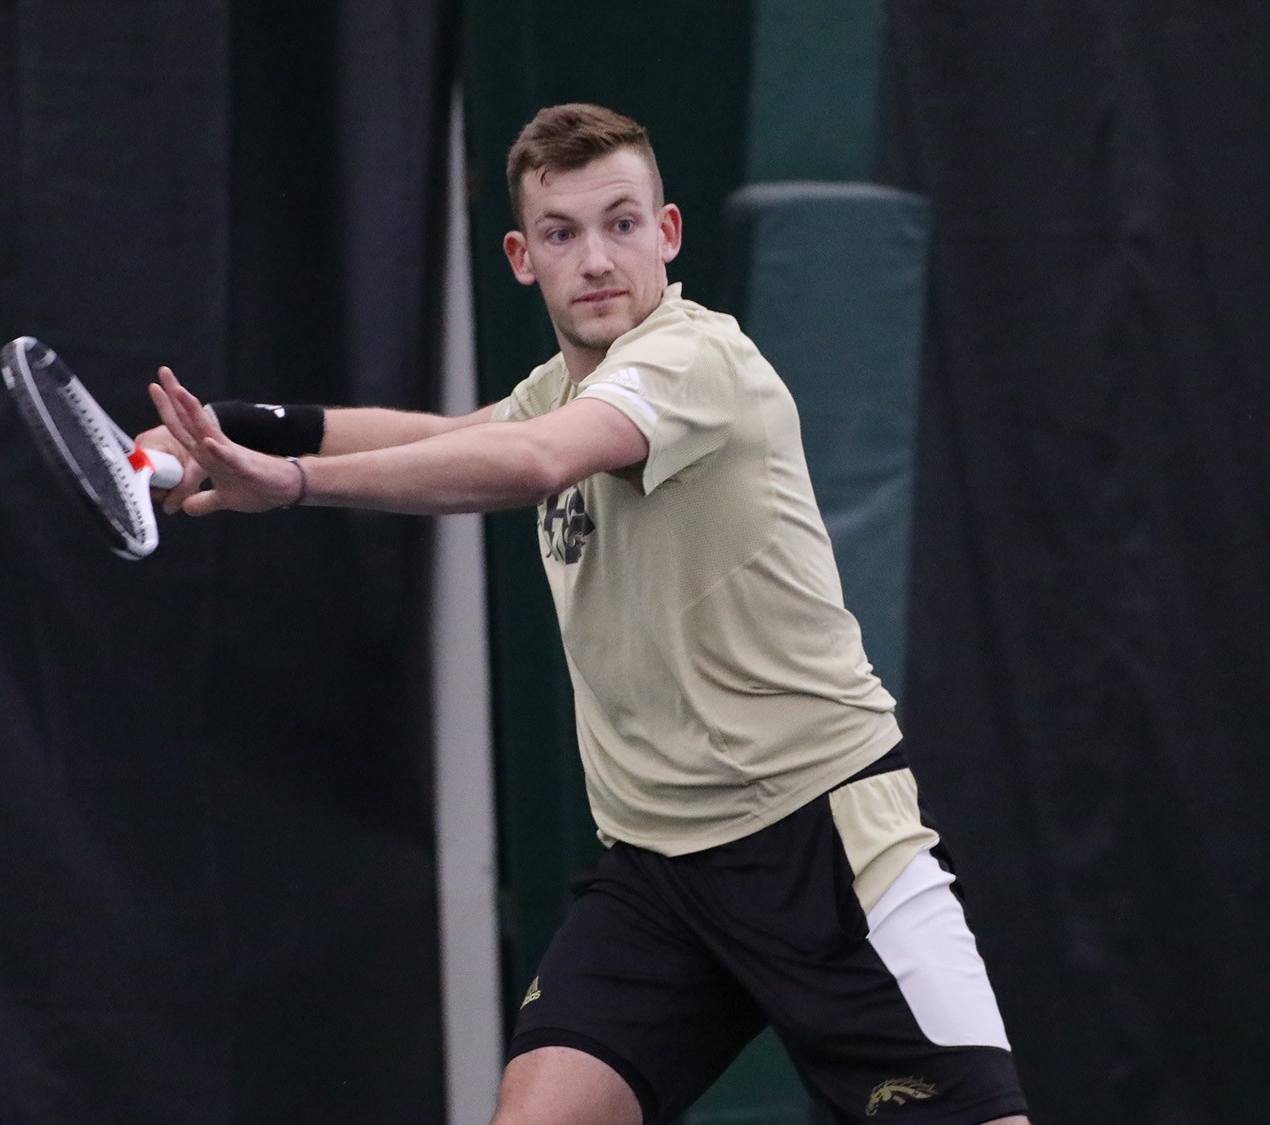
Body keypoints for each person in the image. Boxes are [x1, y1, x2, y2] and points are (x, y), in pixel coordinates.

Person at [142, 103, 1029, 1125]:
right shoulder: (553, 391)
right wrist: (224, 434)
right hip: (657, 874)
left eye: (620, 223)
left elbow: (528, 462)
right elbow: (444, 435)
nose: (596, 258)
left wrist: (288, 483)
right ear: (522, 256)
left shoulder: (696, 361)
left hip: (823, 849)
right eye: (562, 234)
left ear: (668, 235)